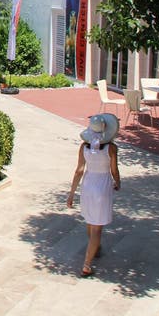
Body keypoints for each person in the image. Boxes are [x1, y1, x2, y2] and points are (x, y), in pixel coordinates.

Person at [66, 113, 120, 277]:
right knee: (97, 228)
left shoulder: (84, 147)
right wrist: (118, 182)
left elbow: (79, 171)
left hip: (88, 184)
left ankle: (95, 249)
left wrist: (71, 194)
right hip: (102, 185)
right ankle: (87, 265)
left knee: (90, 221)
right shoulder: (111, 148)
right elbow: (114, 170)